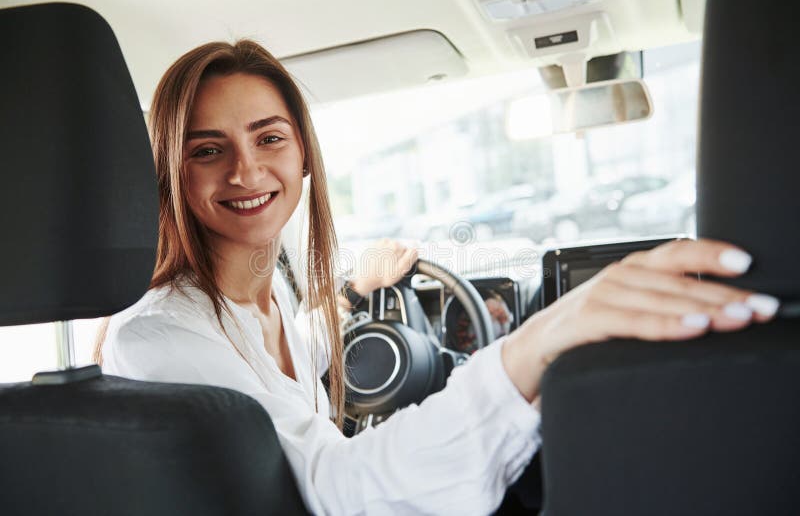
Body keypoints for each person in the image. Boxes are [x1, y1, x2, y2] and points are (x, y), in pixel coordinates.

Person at [97, 40, 779, 515]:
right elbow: (333, 485)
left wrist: (356, 293)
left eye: (268, 138)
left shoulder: (265, 295)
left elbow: (294, 358)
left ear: (303, 155)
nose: (245, 171)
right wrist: (534, 343)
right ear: (172, 172)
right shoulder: (159, 338)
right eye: (208, 150)